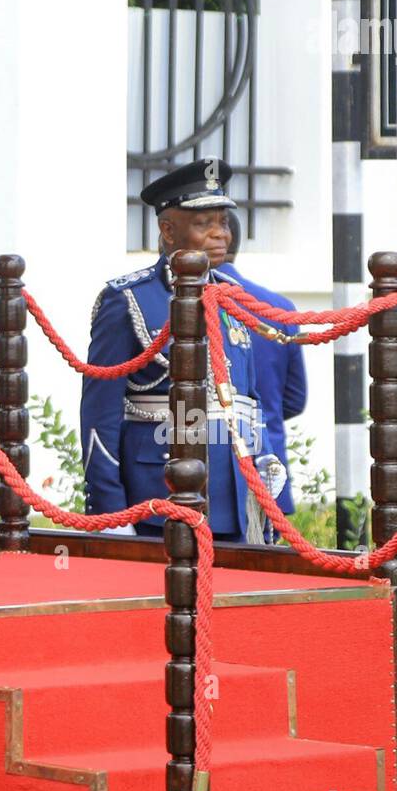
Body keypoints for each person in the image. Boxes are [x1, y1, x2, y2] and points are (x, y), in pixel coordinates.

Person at [80, 158, 269, 542]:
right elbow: (100, 412)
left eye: (223, 221)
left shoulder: (233, 299)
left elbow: (249, 403)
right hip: (156, 497)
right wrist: (112, 514)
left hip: (232, 499)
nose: (222, 234)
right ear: (168, 230)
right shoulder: (128, 299)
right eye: (204, 224)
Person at [219, 211, 303, 517]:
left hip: (206, 469)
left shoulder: (176, 302)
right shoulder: (279, 307)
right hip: (268, 467)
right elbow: (294, 398)